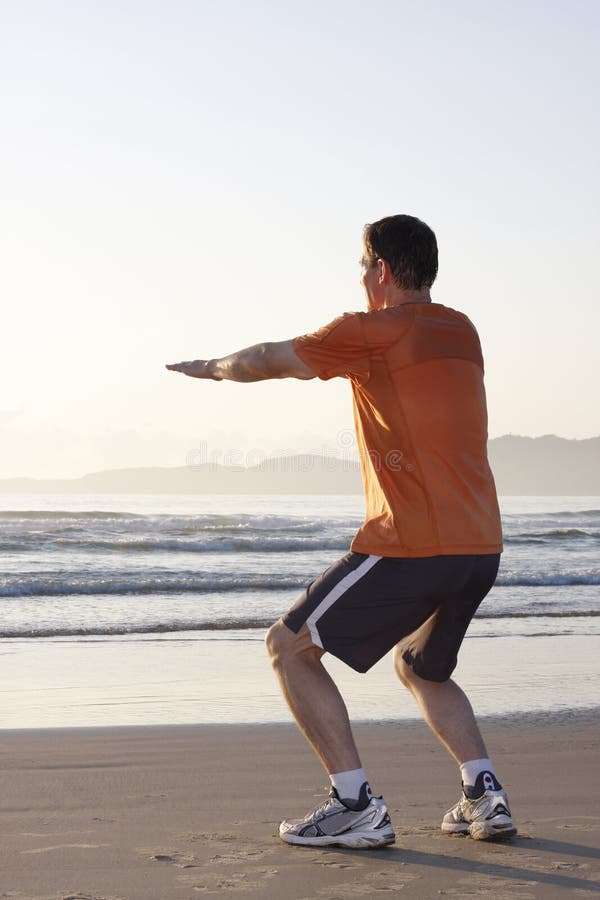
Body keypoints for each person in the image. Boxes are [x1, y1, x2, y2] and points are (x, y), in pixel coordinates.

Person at [166, 214, 516, 849]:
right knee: (420, 667)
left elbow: (268, 359)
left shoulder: (372, 331)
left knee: (288, 645)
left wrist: (212, 367)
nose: (359, 279)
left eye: (362, 266)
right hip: (480, 546)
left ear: (381, 269)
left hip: (414, 542)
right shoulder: (461, 330)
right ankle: (484, 795)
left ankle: (354, 803)